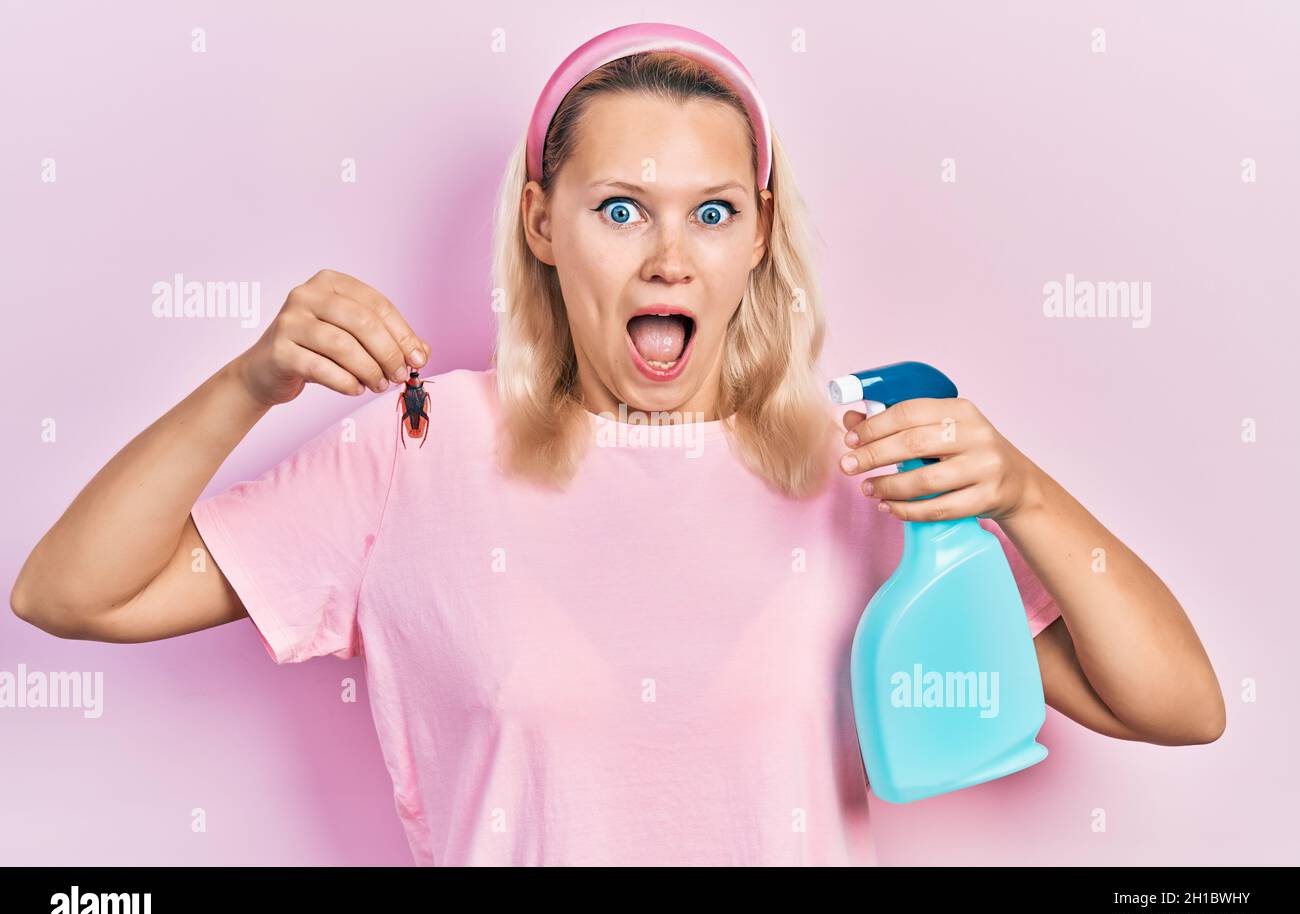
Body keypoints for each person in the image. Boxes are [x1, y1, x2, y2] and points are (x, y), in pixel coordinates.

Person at [10, 23, 1224, 867]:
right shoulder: (417, 448)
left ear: (755, 237)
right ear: (543, 223)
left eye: (710, 211)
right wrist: (251, 380)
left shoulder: (857, 468)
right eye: (618, 209)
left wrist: (1022, 491)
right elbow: (72, 591)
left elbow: (1175, 705)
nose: (667, 256)